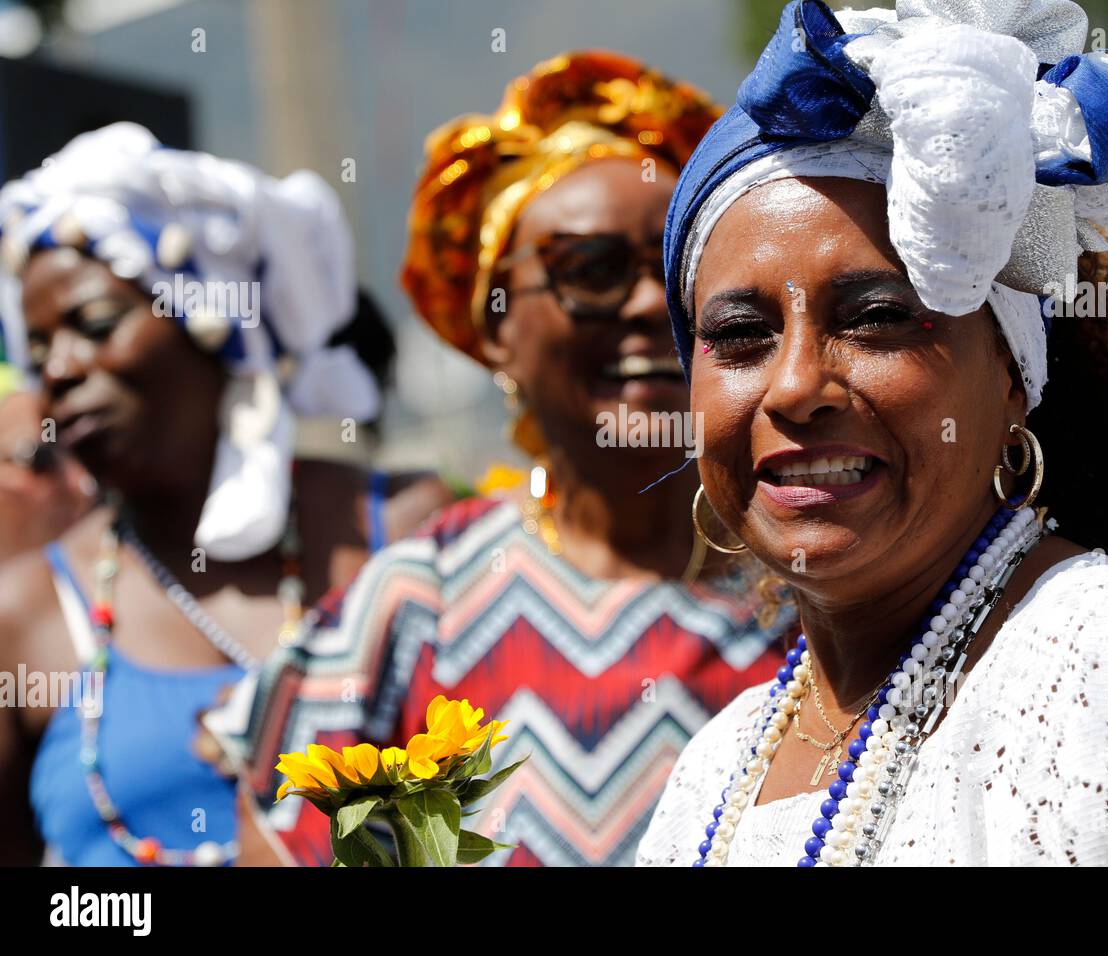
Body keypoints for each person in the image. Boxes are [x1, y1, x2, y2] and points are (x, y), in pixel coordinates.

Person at [637, 0, 1108, 867]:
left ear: (1013, 376)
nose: (796, 386)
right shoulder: (710, 774)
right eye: (738, 335)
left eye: (875, 318)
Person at [225, 51, 796, 867]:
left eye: (678, 270)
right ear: (496, 327)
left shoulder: (811, 578)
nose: (647, 303)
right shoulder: (424, 602)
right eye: (589, 271)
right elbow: (279, 841)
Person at [0, 124, 448, 866]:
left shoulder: (401, 532)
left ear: (222, 326)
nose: (63, 370)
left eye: (96, 323)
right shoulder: (24, 614)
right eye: (41, 349)